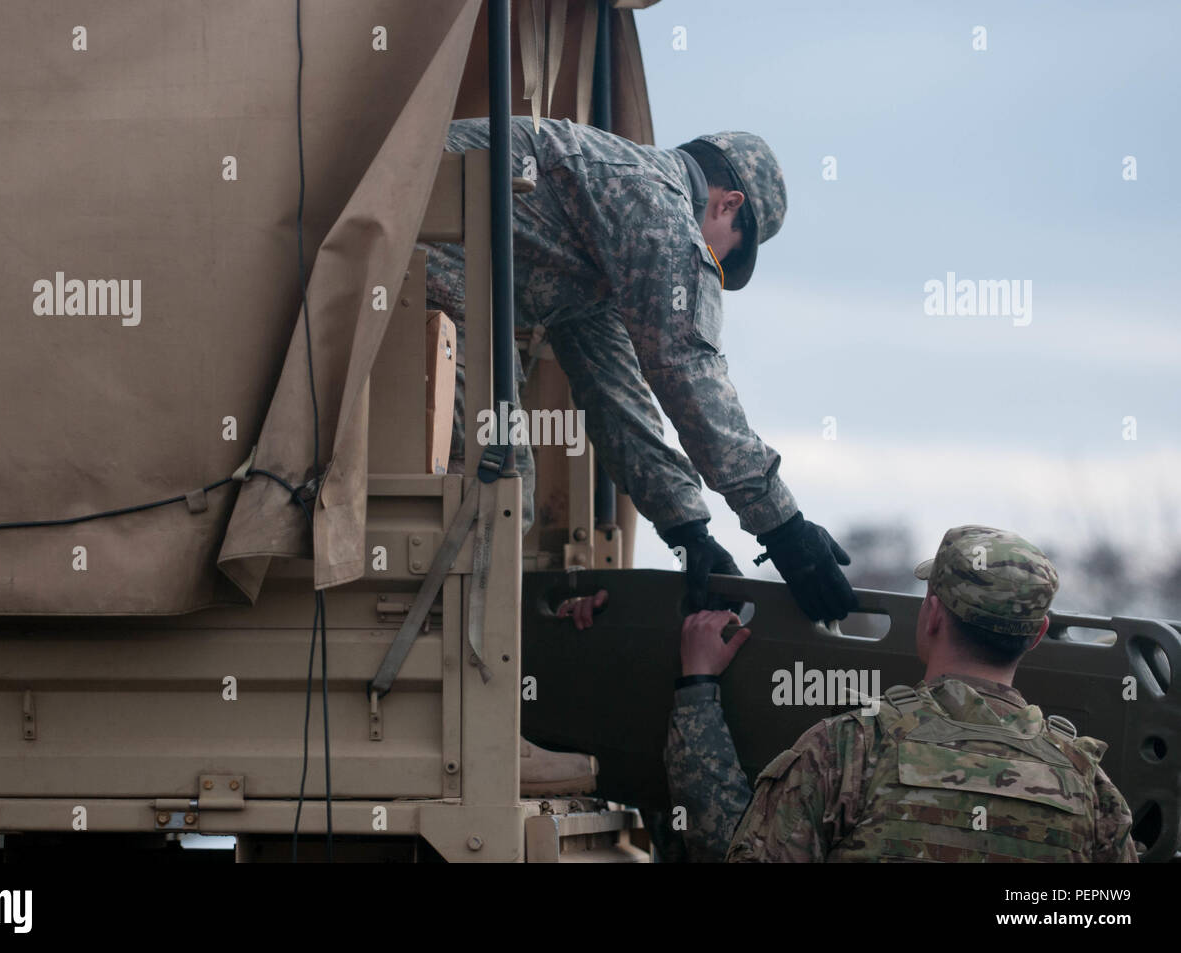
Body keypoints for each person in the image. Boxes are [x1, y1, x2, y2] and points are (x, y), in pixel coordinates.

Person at [425, 117, 857, 624]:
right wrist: (783, 527)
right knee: (499, 492)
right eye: (726, 254)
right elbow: (686, 371)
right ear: (728, 204)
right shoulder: (655, 203)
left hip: (429, 275)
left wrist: (688, 530)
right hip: (408, 264)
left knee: (505, 488)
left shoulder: (602, 225)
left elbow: (615, 395)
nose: (713, 265)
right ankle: (439, 666)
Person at [664, 525, 1139, 862]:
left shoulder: (845, 752)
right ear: (1037, 635)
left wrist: (697, 690)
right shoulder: (1090, 787)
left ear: (931, 614)